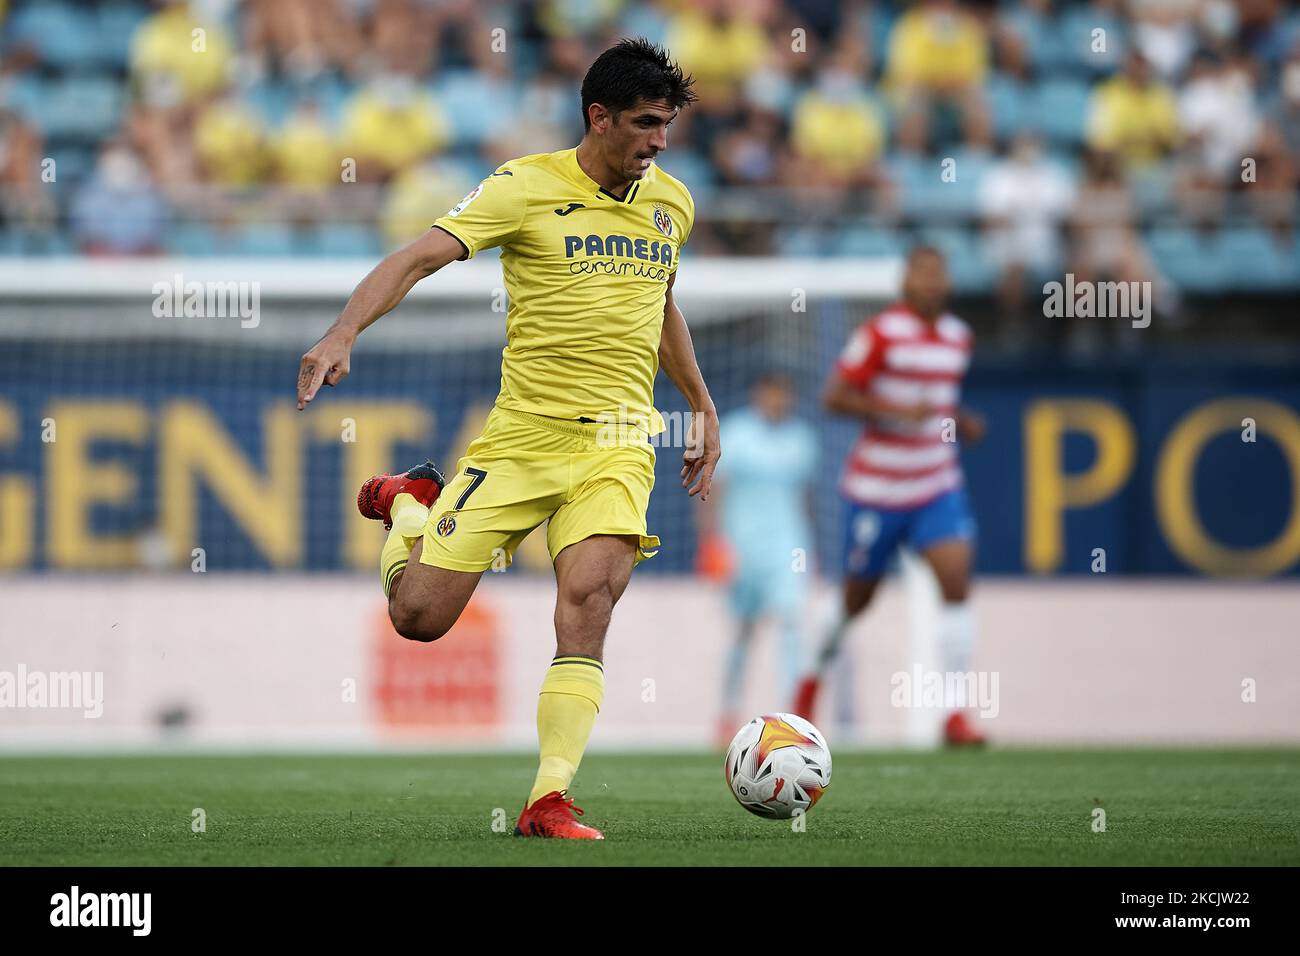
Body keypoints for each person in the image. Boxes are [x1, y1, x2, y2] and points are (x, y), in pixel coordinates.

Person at [296, 39, 719, 838]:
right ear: (599, 118)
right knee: (418, 620)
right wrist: (341, 332)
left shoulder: (673, 204)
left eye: (667, 126)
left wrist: (700, 401)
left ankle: (547, 797)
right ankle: (411, 509)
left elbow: (660, 301)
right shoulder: (525, 187)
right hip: (522, 439)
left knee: (591, 597)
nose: (659, 141)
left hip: (622, 439)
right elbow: (420, 256)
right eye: (645, 123)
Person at [791, 246, 987, 746]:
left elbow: (939, 402)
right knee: (858, 599)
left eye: (939, 274)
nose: (932, 283)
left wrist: (960, 421)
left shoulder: (958, 338)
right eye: (923, 275)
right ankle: (810, 681)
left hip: (935, 484)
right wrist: (893, 409)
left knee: (957, 578)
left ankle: (955, 713)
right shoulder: (879, 334)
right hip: (877, 489)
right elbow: (833, 397)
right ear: (906, 282)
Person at [705, 371, 817, 745]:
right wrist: (713, 542)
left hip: (788, 547)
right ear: (759, 393)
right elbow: (714, 490)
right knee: (743, 631)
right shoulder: (736, 434)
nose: (778, 401)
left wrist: (808, 550)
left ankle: (794, 719)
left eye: (784, 394)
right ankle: (728, 711)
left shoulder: (802, 440)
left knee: (790, 624)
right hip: (742, 547)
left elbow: (804, 499)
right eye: (772, 393)